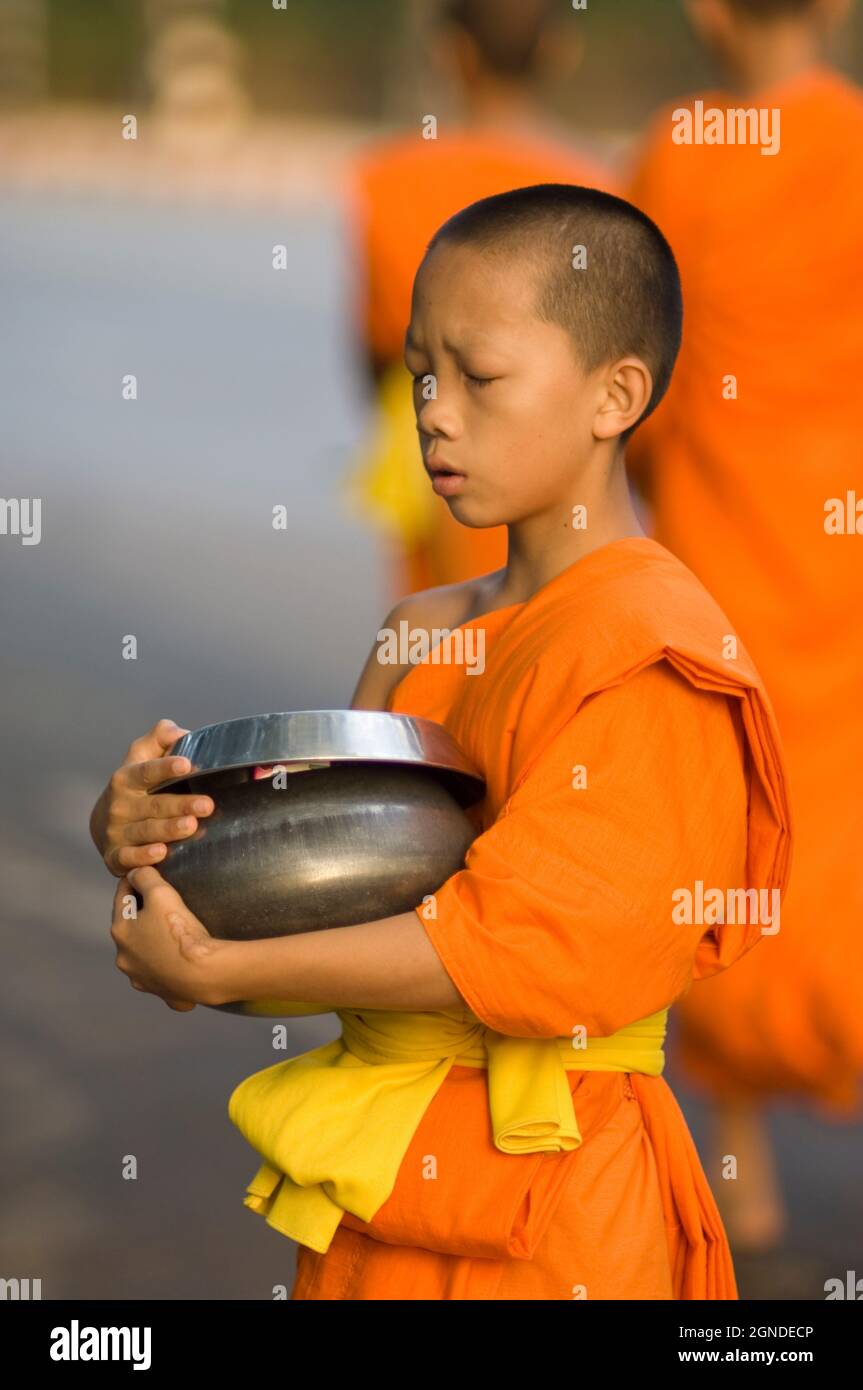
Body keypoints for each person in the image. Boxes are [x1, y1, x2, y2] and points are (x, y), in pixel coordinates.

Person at [93, 185, 791, 1300]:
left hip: (556, 1203)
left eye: (479, 375)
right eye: (422, 371)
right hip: (377, 1181)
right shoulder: (420, 630)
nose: (432, 410)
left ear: (615, 394)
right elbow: (331, 901)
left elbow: (520, 950)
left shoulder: (651, 648)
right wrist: (151, 839)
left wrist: (224, 966)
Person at [625, 0, 863, 1251]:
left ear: (704, 11)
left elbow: (643, 367)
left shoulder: (682, 145)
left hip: (724, 527)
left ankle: (743, 1179)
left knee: (737, 826)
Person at [344, 0, 614, 598]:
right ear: (559, 52)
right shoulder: (597, 193)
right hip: (561, 489)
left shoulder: (390, 180)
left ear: (450, 52)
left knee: (435, 660)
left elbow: (379, 352)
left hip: (438, 476)